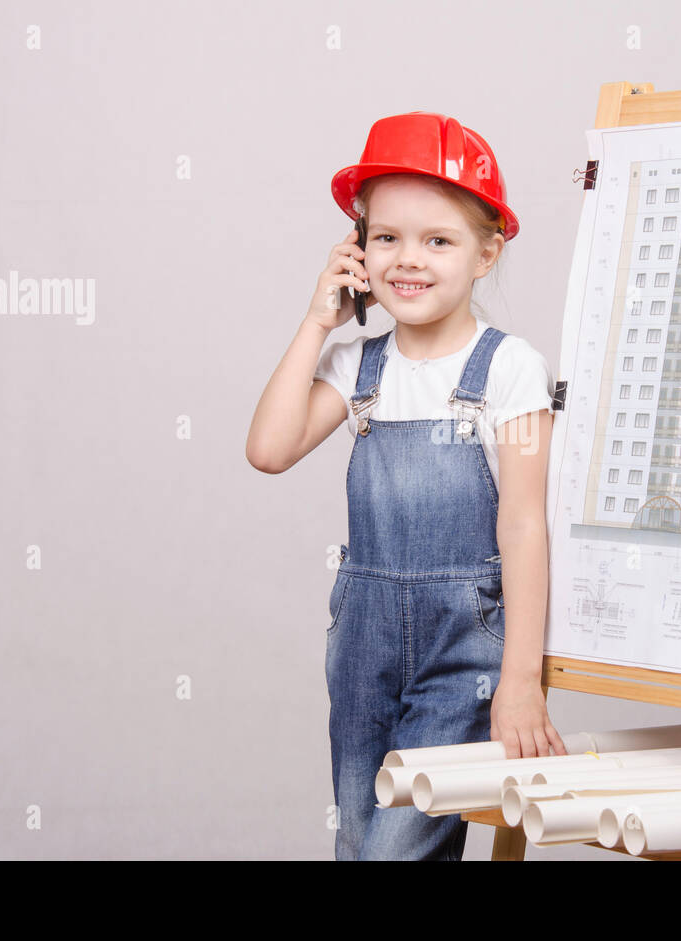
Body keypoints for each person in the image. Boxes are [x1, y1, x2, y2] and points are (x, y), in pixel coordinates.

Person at [245, 112, 568, 860]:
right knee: (358, 844)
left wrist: (520, 678)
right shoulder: (360, 366)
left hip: (465, 648)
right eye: (385, 237)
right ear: (357, 248)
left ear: (486, 253)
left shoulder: (511, 368)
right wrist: (317, 322)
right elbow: (267, 449)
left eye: (438, 240)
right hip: (363, 641)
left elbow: (524, 524)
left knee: (396, 851)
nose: (407, 260)